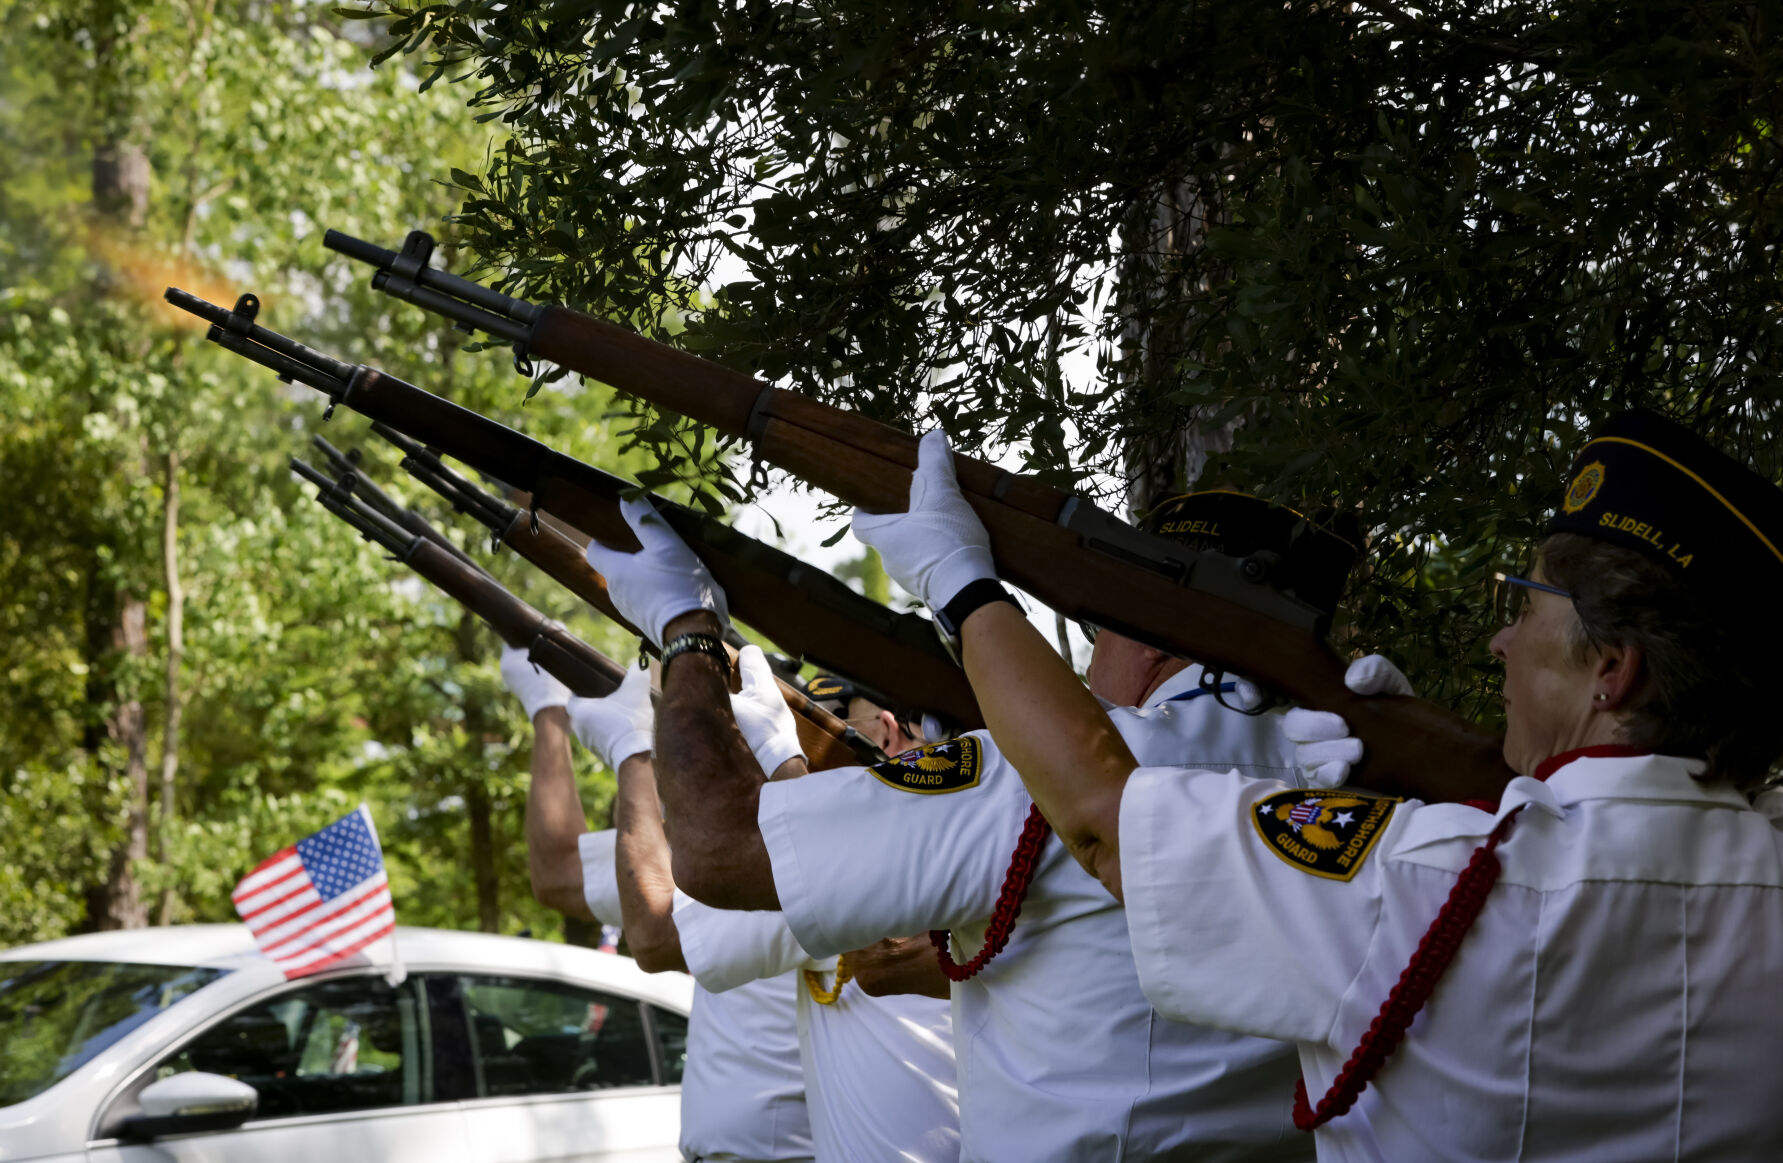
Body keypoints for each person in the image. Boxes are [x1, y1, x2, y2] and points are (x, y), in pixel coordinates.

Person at [867, 415, 1783, 1159]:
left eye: (1524, 607)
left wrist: (962, 589)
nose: (1500, 643)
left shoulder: (1421, 882)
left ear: (1611, 671)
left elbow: (1102, 820)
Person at [583, 479, 1357, 1162]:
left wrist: (685, 632)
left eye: (1101, 626)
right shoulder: (1348, 779)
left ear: (1151, 637)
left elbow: (720, 854)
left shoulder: (1042, 778)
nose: (1090, 659)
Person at [559, 652, 961, 1163]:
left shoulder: (865, 857)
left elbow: (655, 934)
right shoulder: (920, 840)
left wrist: (632, 749)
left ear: (885, 733)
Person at [500, 650, 814, 1163]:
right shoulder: (711, 846)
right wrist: (547, 708)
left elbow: (654, 935)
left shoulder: (794, 859)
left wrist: (629, 748)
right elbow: (558, 873)